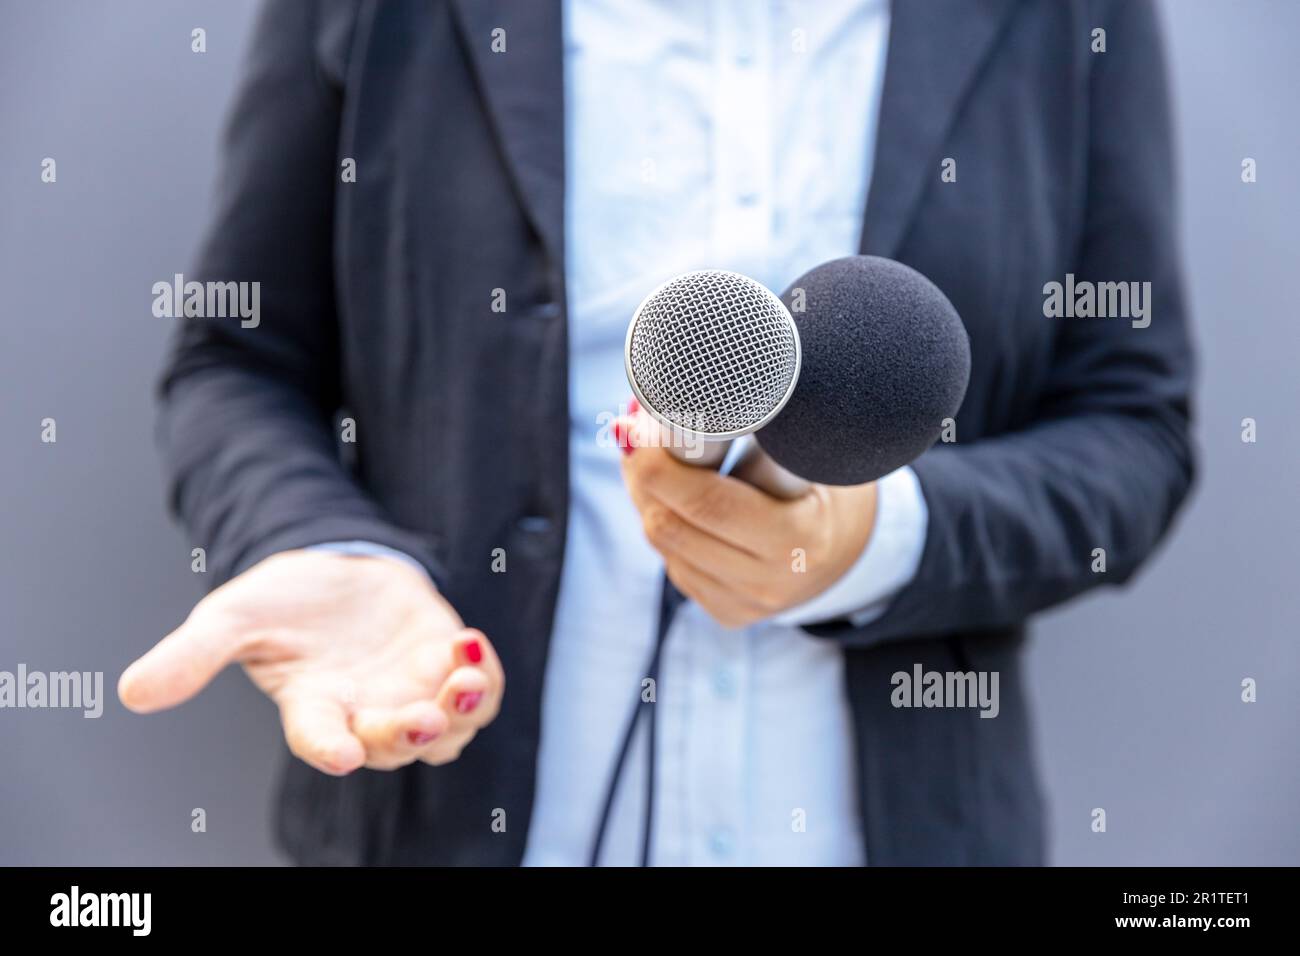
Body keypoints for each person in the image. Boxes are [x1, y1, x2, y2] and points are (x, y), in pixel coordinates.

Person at [118, 0, 1194, 865]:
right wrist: (335, 548)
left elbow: (1131, 426)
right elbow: (238, 358)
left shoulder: (1065, 18)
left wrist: (872, 540)